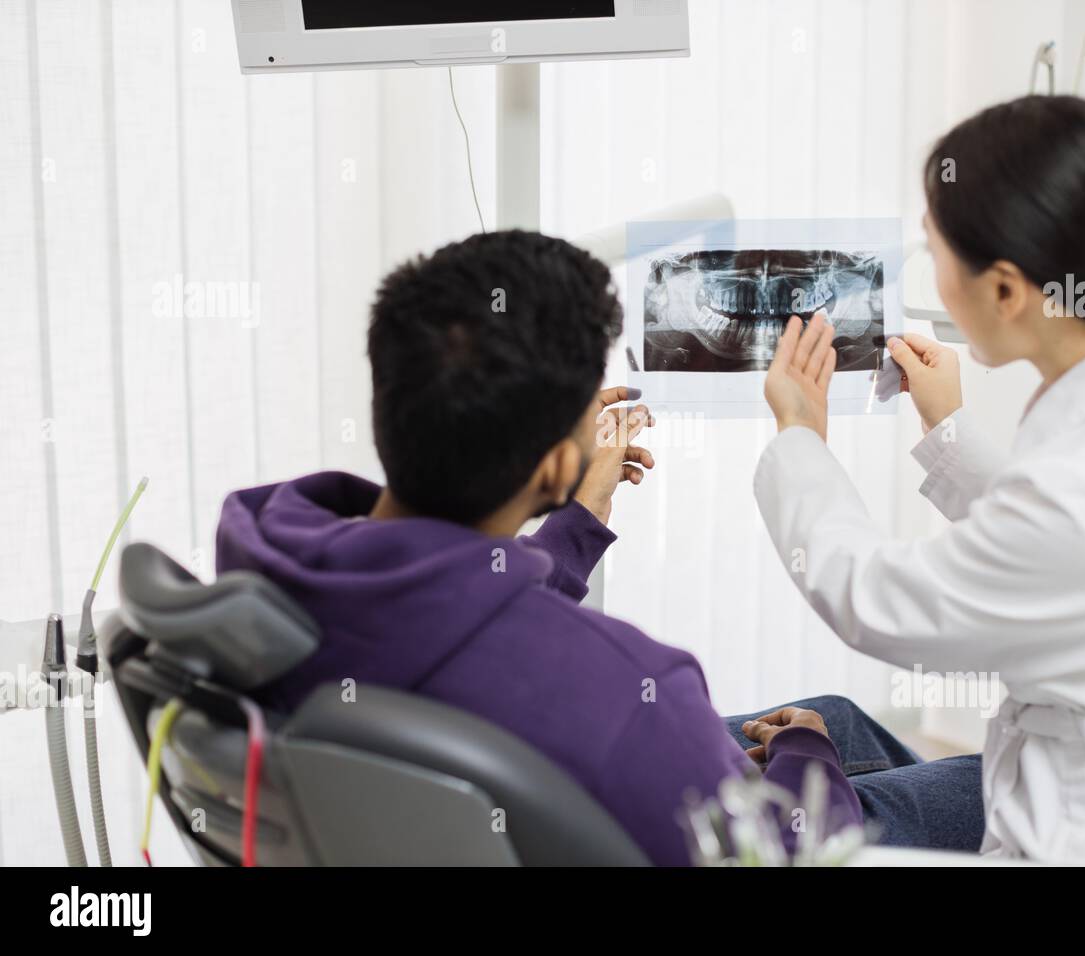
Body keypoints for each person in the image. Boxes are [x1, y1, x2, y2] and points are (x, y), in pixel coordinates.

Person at [217, 231, 905, 866]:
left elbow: (456, 633)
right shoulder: (637, 687)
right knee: (952, 777)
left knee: (838, 717)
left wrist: (576, 518)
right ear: (550, 466)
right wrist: (807, 751)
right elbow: (784, 854)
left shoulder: (275, 566)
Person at [756, 95, 1085, 864]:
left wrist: (800, 439)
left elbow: (879, 599)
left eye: (934, 250)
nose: (926, 274)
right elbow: (1071, 560)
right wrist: (948, 431)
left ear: (1006, 289)